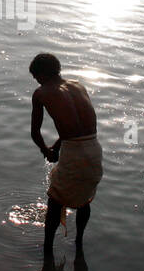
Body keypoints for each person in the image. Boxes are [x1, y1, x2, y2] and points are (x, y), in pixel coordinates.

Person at [29, 53, 102, 255]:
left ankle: (47, 249)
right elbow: (78, 128)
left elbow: (35, 132)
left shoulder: (41, 93)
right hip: (94, 148)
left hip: (74, 152)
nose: (37, 82)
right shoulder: (78, 85)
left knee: (55, 200)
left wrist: (46, 150)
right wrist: (57, 145)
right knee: (85, 199)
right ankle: (79, 243)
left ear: (42, 75)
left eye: (36, 77)